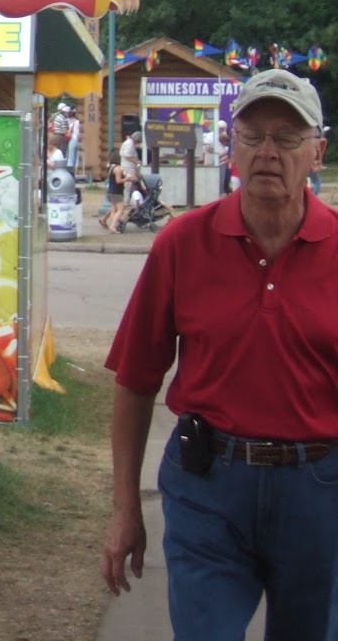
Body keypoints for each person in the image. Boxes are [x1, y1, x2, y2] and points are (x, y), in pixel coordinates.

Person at [102, 68, 338, 639]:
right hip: (208, 486)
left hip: (321, 493)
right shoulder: (182, 243)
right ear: (232, 148)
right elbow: (135, 381)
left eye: (287, 138)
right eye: (252, 136)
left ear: (317, 152)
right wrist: (125, 509)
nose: (267, 153)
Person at [99, 147, 126, 232]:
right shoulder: (118, 168)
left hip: (111, 190)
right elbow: (118, 181)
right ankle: (113, 225)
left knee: (113, 209)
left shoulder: (110, 167)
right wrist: (127, 179)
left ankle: (106, 221)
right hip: (117, 191)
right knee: (120, 210)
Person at [118, 123, 142, 203]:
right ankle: (126, 201)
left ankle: (129, 200)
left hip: (129, 166)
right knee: (128, 184)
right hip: (128, 167)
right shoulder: (129, 144)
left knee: (131, 184)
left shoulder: (129, 143)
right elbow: (127, 155)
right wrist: (137, 161)